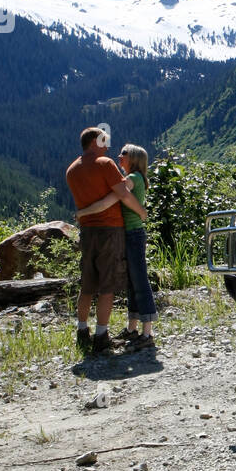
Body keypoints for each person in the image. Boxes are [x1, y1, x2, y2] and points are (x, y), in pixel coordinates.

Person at [64, 127, 144, 356]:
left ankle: (82, 331)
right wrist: (141, 211)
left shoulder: (72, 170)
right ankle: (101, 335)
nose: (108, 147)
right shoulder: (105, 164)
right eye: (104, 141)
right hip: (110, 230)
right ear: (94, 142)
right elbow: (122, 193)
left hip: (87, 232)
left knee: (87, 283)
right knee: (107, 285)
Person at [76, 144, 157, 351]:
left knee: (139, 280)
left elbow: (107, 202)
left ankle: (147, 332)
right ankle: (132, 329)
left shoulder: (132, 180)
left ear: (134, 159)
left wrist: (83, 213)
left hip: (133, 234)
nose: (119, 156)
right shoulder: (135, 179)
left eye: (124, 154)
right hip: (129, 234)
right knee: (132, 281)